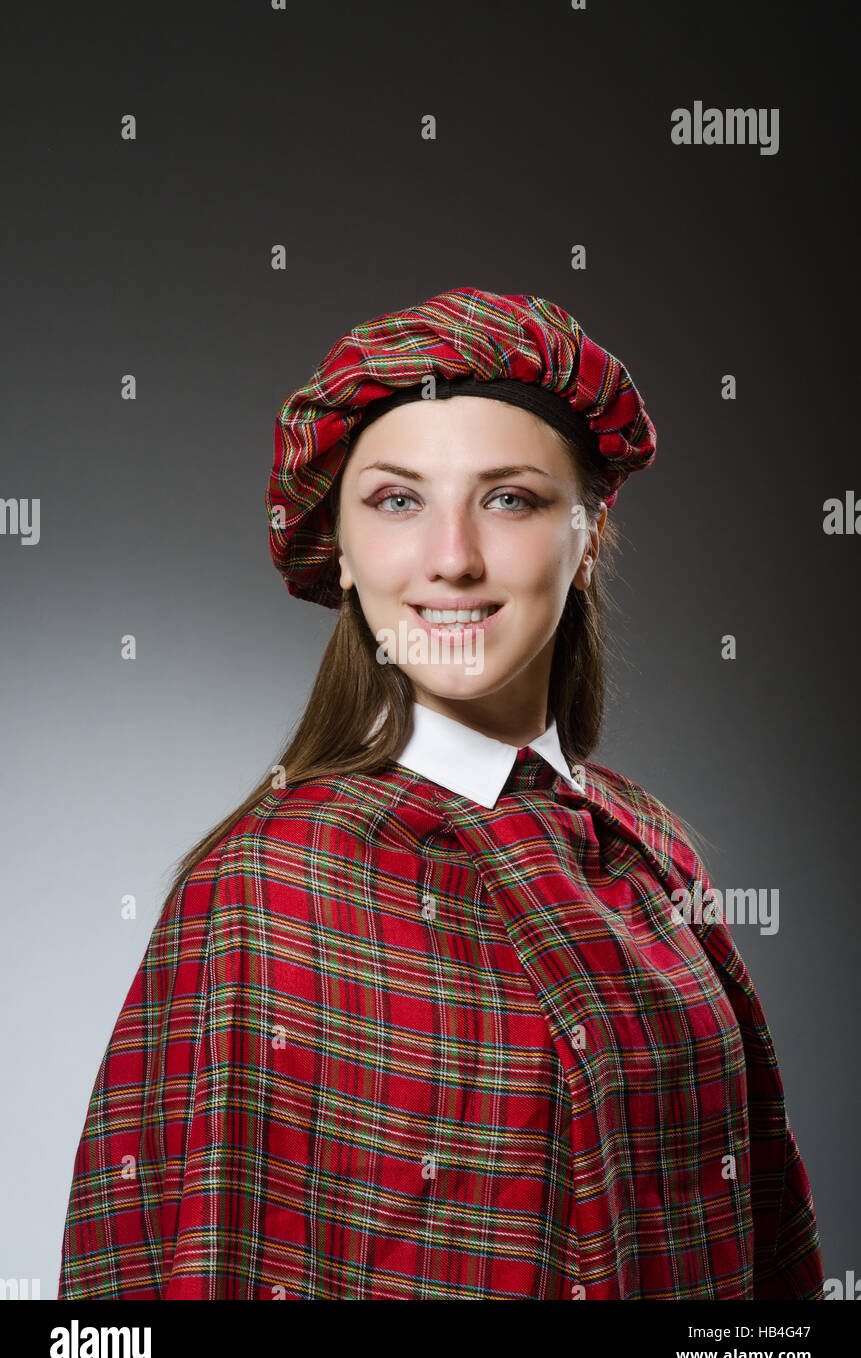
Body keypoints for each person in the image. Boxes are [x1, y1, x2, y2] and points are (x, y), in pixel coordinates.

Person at [57, 286, 824, 1300]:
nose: (452, 559)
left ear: (588, 536)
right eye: (397, 501)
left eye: (509, 499)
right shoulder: (261, 888)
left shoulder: (654, 852)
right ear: (342, 548)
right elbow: (151, 1267)